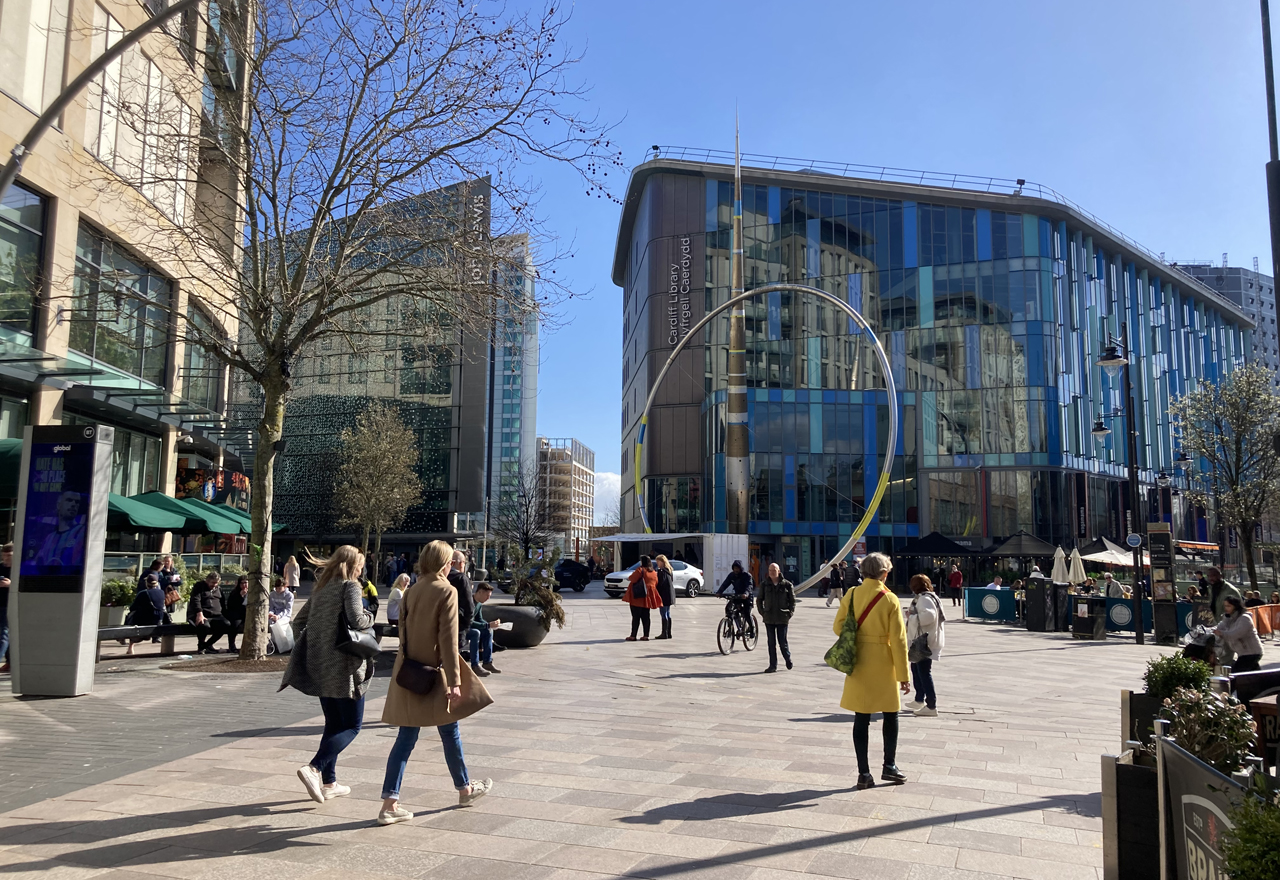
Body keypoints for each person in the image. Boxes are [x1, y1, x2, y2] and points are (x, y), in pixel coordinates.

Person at [378, 539, 493, 826]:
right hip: (436, 673)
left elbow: (403, 633)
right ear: (446, 563)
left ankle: (390, 802)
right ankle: (464, 789)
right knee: (450, 732)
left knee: (406, 738)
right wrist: (454, 681)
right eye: (451, 561)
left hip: (411, 673)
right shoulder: (446, 590)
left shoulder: (412, 591)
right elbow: (448, 640)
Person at [280, 545, 375, 805]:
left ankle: (330, 783)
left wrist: (314, 645)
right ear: (353, 565)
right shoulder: (350, 586)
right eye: (360, 565)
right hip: (345, 666)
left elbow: (298, 623)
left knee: (333, 724)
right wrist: (369, 616)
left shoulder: (321, 587)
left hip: (321, 664)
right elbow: (357, 620)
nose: (361, 570)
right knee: (353, 726)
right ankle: (315, 767)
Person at [834, 552, 910, 790]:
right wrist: (904, 676)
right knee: (891, 714)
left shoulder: (851, 594)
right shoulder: (890, 599)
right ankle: (889, 765)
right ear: (884, 573)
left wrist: (857, 634)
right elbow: (898, 640)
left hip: (858, 660)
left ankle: (863, 773)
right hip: (883, 661)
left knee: (861, 716)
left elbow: (838, 626)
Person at [904, 574, 945, 717]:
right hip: (926, 639)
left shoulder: (924, 599)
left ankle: (931, 705)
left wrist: (911, 617)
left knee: (923, 672)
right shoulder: (931, 597)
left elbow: (929, 616)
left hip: (924, 641)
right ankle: (919, 699)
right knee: (916, 668)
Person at [757, 563, 795, 673]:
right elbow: (759, 600)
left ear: (778, 571)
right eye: (770, 570)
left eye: (774, 570)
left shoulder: (787, 585)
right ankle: (772, 665)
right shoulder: (764, 585)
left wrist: (789, 613)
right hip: (769, 617)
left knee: (782, 642)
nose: (772, 572)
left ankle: (787, 658)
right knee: (771, 643)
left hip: (782, 617)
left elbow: (792, 601)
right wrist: (763, 612)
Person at [33, 490, 86, 568]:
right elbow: (37, 563)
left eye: (77, 502)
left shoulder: (82, 532)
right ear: (59, 505)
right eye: (69, 500)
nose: (73, 504)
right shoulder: (49, 538)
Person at [1214, 595, 1264, 672]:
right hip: (1243, 653)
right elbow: (1219, 627)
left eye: (1229, 606)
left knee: (1236, 673)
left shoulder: (1244, 618)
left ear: (1236, 606)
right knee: (1255, 674)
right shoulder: (1229, 619)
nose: (1226, 608)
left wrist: (1221, 633)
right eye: (1225, 606)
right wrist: (1210, 631)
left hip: (1252, 652)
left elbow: (1235, 634)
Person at [188, 571, 232, 654]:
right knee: (204, 625)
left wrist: (225, 615)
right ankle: (201, 645)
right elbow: (196, 600)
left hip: (217, 615)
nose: (214, 585)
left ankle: (206, 645)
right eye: (213, 583)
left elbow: (222, 603)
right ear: (207, 581)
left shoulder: (218, 589)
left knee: (226, 624)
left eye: (216, 583)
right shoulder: (199, 587)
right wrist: (199, 613)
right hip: (203, 614)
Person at [124, 572, 166, 656]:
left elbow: (132, 607)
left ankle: (129, 646)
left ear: (147, 583)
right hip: (158, 620)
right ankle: (158, 640)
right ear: (157, 583)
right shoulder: (161, 592)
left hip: (143, 620)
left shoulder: (142, 593)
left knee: (131, 616)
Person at [466, 582, 500, 675]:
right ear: (480, 592)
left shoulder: (479, 604)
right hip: (462, 628)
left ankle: (487, 662)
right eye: (487, 596)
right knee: (475, 633)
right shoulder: (469, 602)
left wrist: (490, 624)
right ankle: (475, 665)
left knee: (489, 631)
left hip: (470, 626)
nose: (488, 598)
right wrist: (487, 625)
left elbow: (479, 619)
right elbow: (469, 622)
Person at [624, 556, 661, 641]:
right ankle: (646, 635)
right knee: (646, 617)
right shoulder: (653, 572)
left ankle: (633, 635)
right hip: (647, 598)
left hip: (637, 597)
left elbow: (632, 578)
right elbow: (655, 583)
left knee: (636, 617)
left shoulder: (640, 570)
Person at [447, 550, 475, 650]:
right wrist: (467, 624)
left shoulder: (442, 577)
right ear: (461, 563)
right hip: (458, 622)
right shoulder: (461, 578)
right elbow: (469, 605)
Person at [224, 574, 250, 652]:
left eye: (245, 583)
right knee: (235, 625)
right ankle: (232, 645)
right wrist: (240, 597)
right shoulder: (235, 593)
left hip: (248, 613)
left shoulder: (252, 592)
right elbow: (231, 605)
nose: (244, 585)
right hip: (237, 614)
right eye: (242, 583)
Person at [654, 554, 675, 640]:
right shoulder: (669, 570)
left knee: (663, 614)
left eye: (658, 562)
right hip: (670, 595)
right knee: (668, 613)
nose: (657, 564)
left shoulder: (661, 571)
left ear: (662, 562)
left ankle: (664, 633)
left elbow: (660, 584)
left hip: (663, 595)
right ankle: (668, 633)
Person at [0, 542, 11, 673]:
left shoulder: (19, 569)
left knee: (4, 634)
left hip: (10, 605)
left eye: (9, 556)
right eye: (4, 555)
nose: (6, 559)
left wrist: (10, 584)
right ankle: (9, 661)